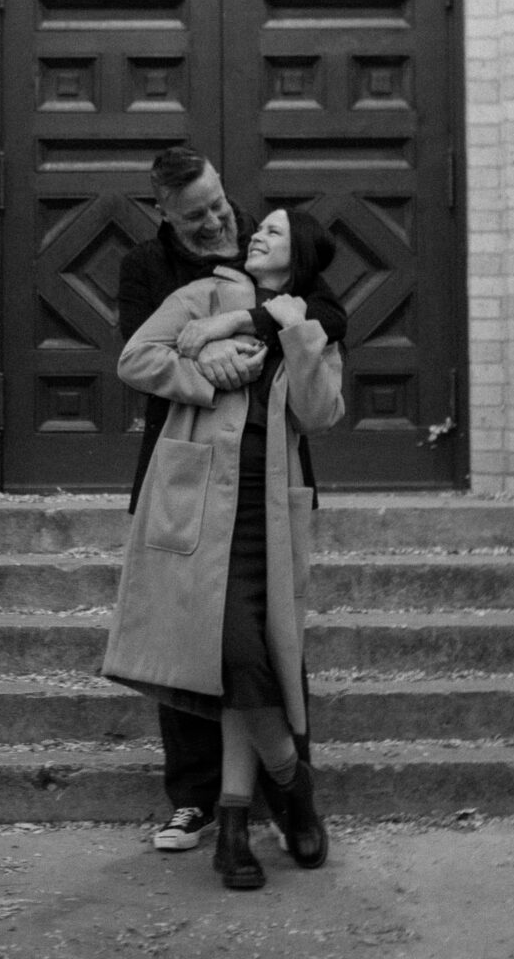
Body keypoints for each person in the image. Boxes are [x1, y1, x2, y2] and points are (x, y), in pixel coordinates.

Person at [103, 207, 346, 892]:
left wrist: (296, 336)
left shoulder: (310, 319)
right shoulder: (199, 296)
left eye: (272, 230)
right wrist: (205, 371)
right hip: (201, 508)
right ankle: (292, 785)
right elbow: (136, 358)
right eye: (257, 228)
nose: (256, 234)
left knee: (248, 665)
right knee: (238, 657)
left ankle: (234, 823)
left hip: (269, 513)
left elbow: (320, 413)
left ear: (296, 253)